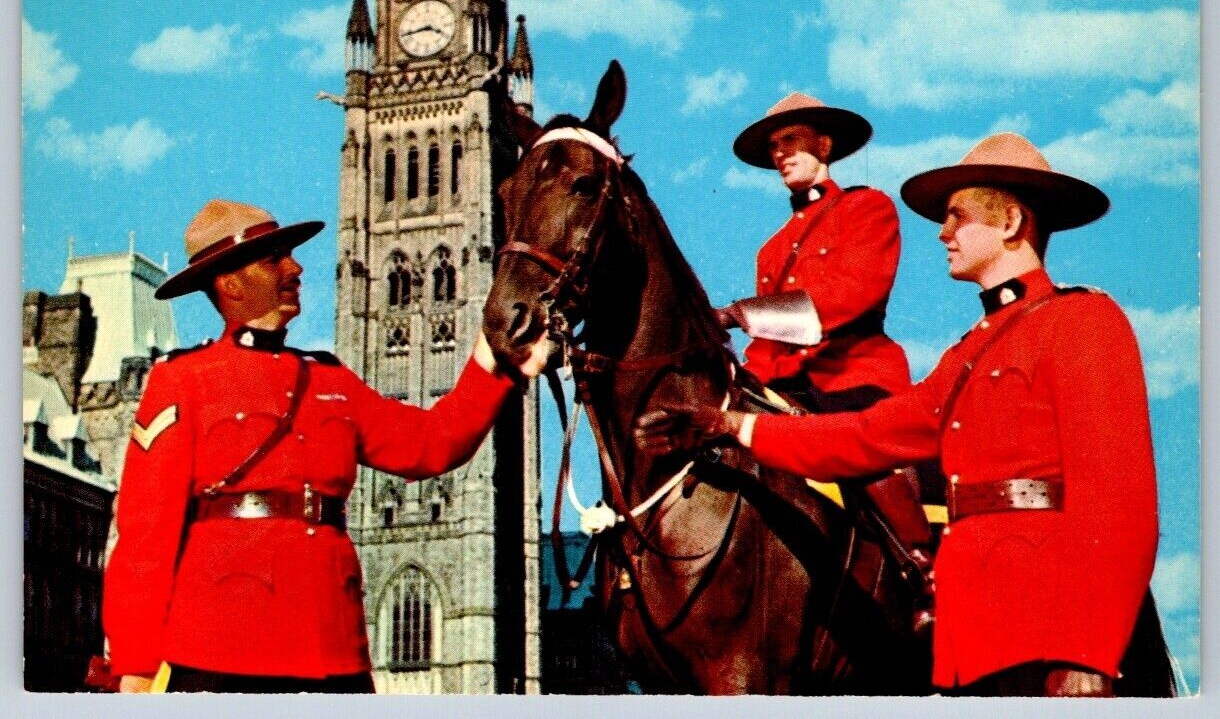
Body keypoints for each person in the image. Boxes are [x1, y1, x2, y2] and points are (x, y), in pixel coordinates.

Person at [640, 133, 1164, 696]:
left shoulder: (1081, 321)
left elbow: (1119, 504)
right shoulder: (968, 352)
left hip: (1051, 635)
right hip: (972, 643)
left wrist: (1087, 653)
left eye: (958, 217)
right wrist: (730, 425)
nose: (942, 233)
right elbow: (870, 435)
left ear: (1011, 222)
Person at [103, 199, 551, 693]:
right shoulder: (182, 380)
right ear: (230, 284)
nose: (295, 268)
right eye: (274, 260)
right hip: (220, 648)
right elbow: (145, 538)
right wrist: (135, 665)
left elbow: (431, 443)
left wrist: (497, 359)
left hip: (332, 646)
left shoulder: (328, 379)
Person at [720, 92, 933, 598]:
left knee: (868, 452)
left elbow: (851, 295)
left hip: (851, 375)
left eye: (790, 140)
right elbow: (767, 346)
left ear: (824, 145)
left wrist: (738, 314)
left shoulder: (867, 208)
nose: (780, 153)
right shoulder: (772, 247)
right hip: (783, 385)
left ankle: (920, 570)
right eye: (774, 146)